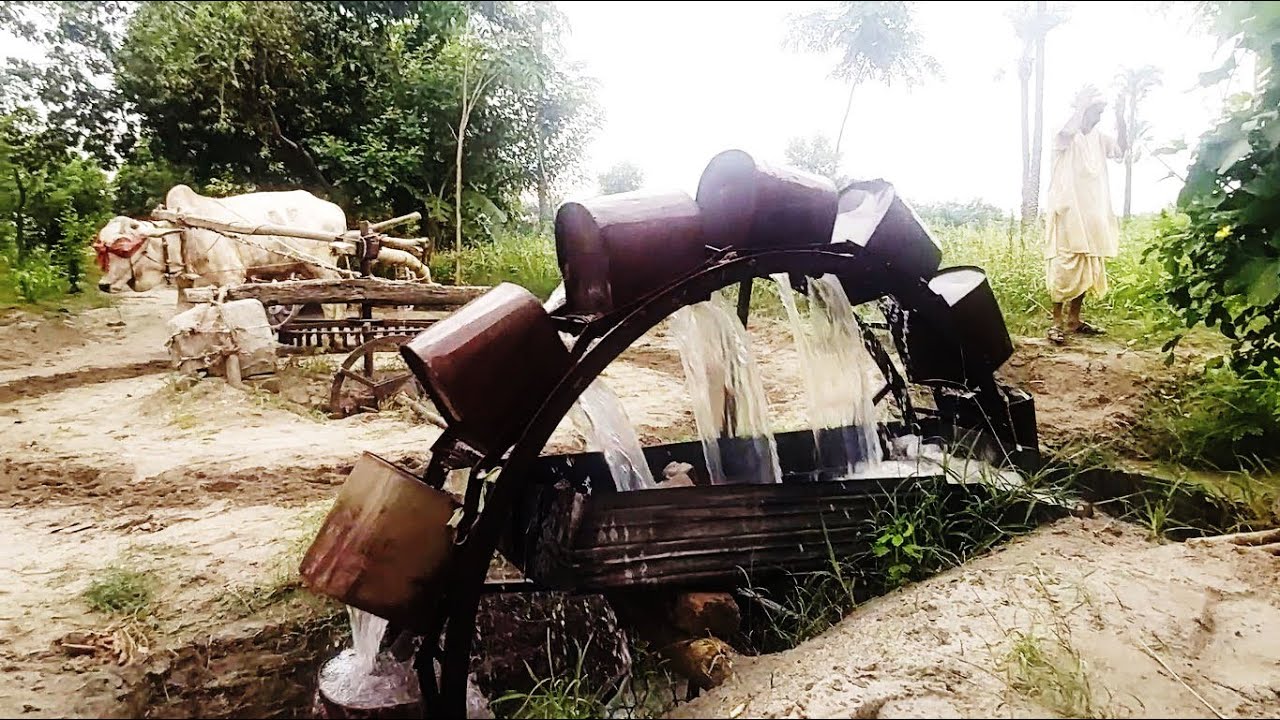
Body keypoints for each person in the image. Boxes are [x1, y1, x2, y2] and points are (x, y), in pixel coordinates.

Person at [1044, 86, 1127, 344]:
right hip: (1067, 210)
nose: (1099, 117)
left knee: (1089, 263)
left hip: (1093, 212)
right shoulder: (1064, 134)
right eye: (1096, 111)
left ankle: (1074, 319)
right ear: (1084, 110)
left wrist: (1121, 117)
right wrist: (1081, 106)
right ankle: (1056, 322)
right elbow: (1067, 132)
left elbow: (1121, 152)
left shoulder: (1100, 138)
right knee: (1064, 264)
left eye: (1102, 112)